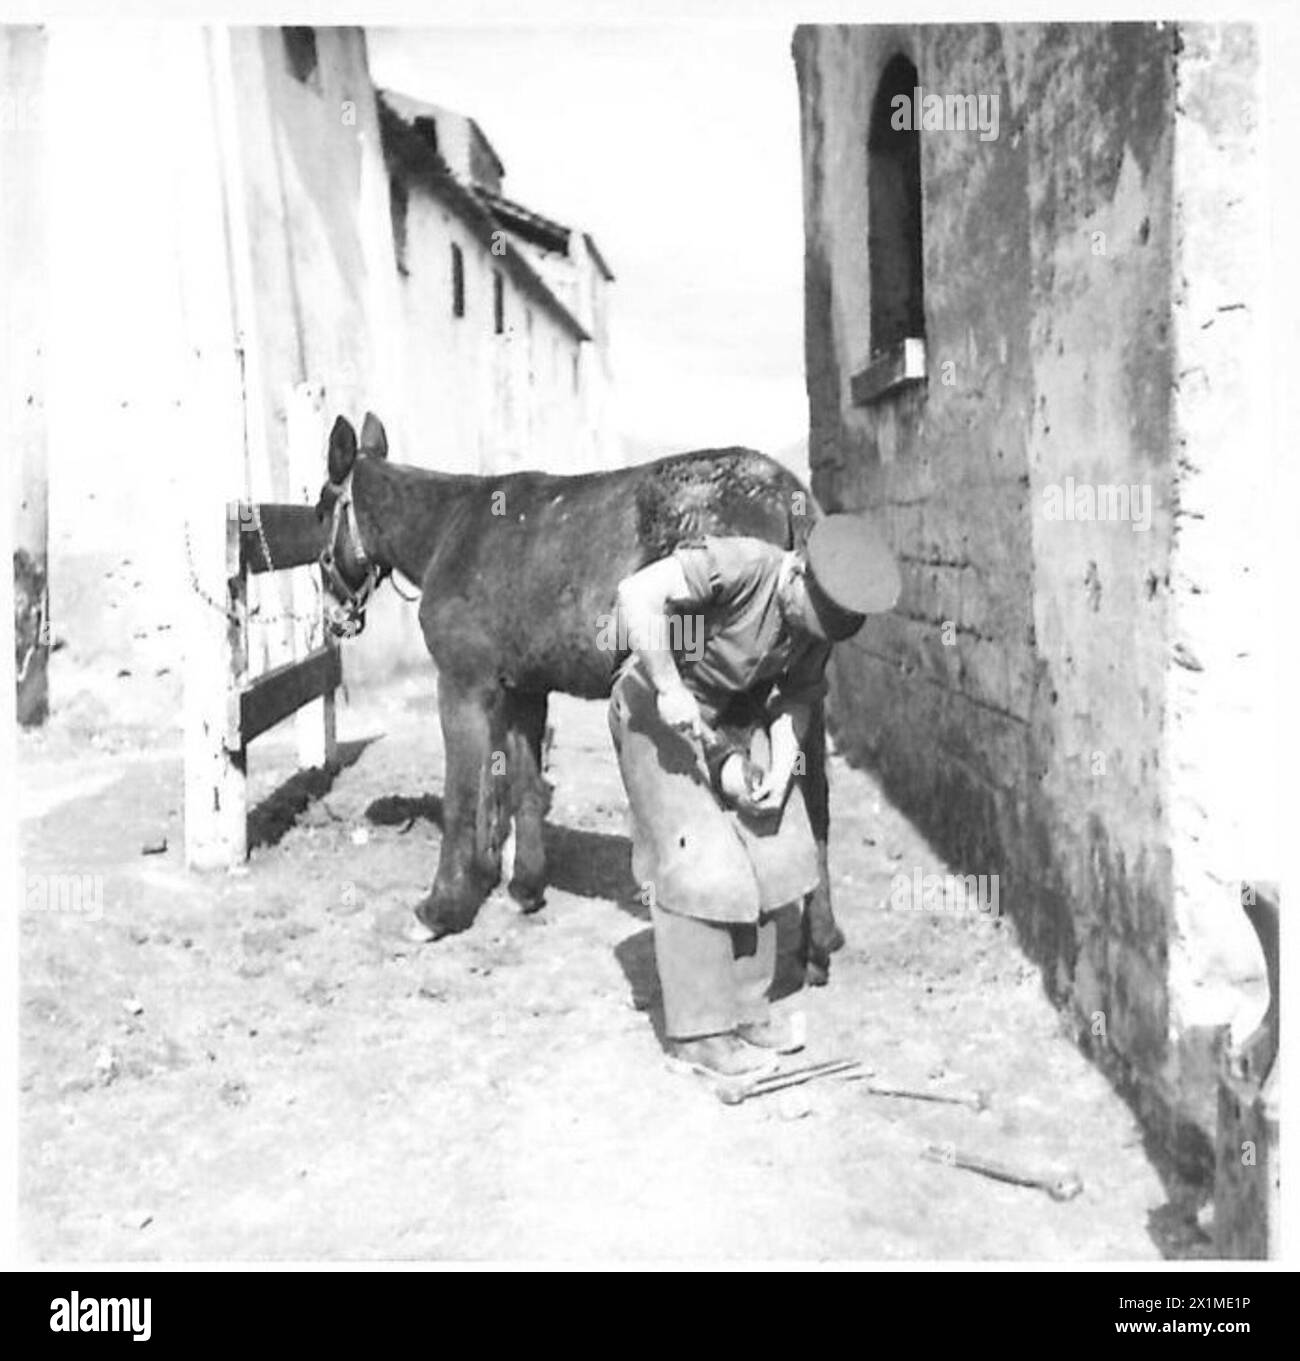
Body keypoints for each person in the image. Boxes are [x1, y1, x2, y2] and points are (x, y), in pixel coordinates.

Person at [609, 514, 900, 1082]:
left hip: (728, 722)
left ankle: (745, 1010)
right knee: (700, 859)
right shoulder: (742, 565)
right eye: (812, 617)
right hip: (653, 702)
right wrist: (669, 688)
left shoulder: (819, 627)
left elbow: (797, 700)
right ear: (798, 573)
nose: (813, 635)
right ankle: (699, 1035)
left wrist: (782, 770)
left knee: (777, 848)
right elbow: (633, 594)